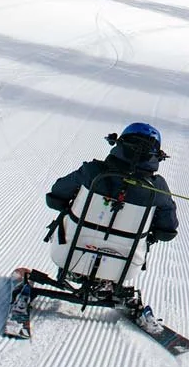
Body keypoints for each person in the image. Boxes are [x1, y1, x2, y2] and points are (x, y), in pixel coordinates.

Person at [45, 122, 179, 288]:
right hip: (123, 267)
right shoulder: (157, 188)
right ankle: (107, 282)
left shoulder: (92, 171)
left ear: (119, 143)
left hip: (67, 253)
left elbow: (55, 196)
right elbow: (167, 230)